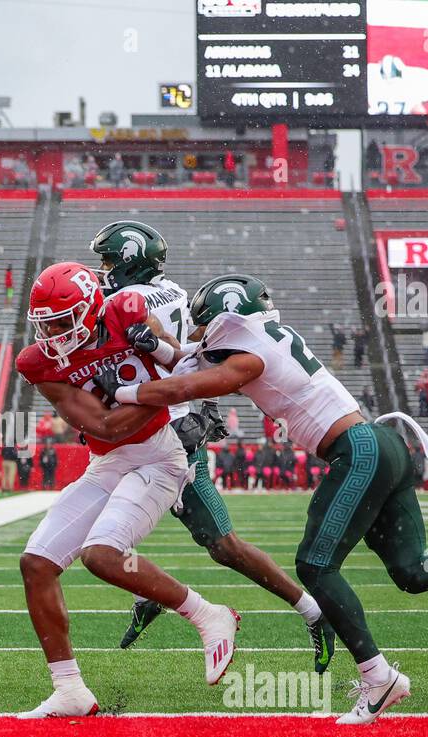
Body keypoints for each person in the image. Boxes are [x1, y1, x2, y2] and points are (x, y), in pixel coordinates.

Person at [96, 272, 428, 724]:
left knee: (314, 565)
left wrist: (121, 395)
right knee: (414, 572)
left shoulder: (247, 355)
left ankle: (378, 678)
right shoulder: (257, 340)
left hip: (359, 451)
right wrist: (154, 343)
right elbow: (184, 360)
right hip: (382, 444)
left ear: (227, 320)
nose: (203, 334)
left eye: (207, 325)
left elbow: (188, 381)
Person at [88, 219, 330, 658]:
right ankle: (152, 594)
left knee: (218, 545)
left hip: (159, 433)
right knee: (113, 529)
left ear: (127, 261)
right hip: (171, 425)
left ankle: (310, 609)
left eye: (107, 260)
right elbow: (195, 354)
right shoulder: (179, 293)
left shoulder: (124, 299)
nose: (102, 270)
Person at [12, 261, 240, 718]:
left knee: (102, 554)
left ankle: (206, 613)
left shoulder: (125, 310)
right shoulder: (37, 362)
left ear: (91, 307)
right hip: (109, 458)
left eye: (62, 320)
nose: (53, 334)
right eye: (46, 324)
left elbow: (181, 362)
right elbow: (103, 426)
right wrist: (153, 393)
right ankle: (69, 689)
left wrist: (155, 361)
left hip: (160, 455)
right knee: (36, 564)